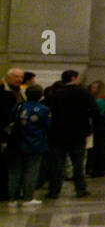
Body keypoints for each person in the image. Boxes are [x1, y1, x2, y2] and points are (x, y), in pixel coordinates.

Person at [46, 69, 94, 200]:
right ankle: (80, 189)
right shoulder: (84, 93)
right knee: (78, 163)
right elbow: (94, 110)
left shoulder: (55, 94)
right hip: (78, 133)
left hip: (58, 133)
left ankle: (54, 190)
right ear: (74, 78)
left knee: (57, 164)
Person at [7, 85, 50, 206]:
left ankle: (13, 198)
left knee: (15, 172)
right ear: (40, 96)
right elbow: (48, 126)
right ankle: (28, 197)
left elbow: (11, 120)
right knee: (31, 171)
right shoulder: (44, 109)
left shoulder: (19, 106)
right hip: (36, 143)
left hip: (17, 143)